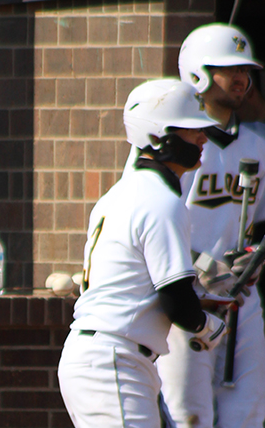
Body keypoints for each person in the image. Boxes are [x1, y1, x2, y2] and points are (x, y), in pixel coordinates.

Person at [59, 78, 232, 427]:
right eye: (190, 130)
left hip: (110, 357)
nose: (202, 138)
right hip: (114, 360)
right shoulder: (160, 201)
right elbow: (176, 302)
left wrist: (206, 297)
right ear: (157, 135)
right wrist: (207, 325)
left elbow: (149, 287)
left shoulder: (123, 192)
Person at [149, 23, 265, 428]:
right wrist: (205, 267)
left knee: (247, 415)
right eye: (230, 70)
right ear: (199, 73)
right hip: (188, 299)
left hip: (242, 304)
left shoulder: (258, 148)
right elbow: (156, 225)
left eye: (245, 70)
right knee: (189, 417)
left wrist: (253, 260)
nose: (242, 80)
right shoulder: (179, 148)